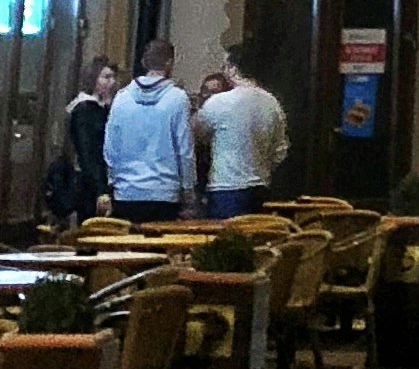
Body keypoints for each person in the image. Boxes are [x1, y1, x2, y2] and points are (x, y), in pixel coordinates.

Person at [101, 36, 198, 221]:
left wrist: (112, 180)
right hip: (164, 192)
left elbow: (110, 146)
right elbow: (184, 149)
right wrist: (188, 188)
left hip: (126, 191)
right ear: (170, 63)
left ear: (143, 62)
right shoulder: (177, 98)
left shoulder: (122, 97)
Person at [195, 42, 289, 217]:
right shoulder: (272, 103)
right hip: (260, 186)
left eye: (225, 66)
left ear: (232, 68)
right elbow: (280, 150)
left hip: (225, 186)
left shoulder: (219, 103)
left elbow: (198, 136)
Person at [53, 54, 117, 227]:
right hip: (87, 182)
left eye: (113, 77)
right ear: (93, 79)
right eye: (106, 77)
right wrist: (100, 189)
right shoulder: (84, 109)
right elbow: (87, 151)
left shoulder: (101, 107)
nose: (111, 82)